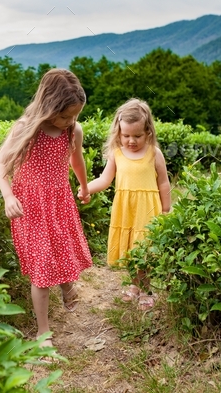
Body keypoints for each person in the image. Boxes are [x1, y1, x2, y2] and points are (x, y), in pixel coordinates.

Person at [0, 69, 92, 354]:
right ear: (48, 106)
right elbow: (1, 164)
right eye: (63, 117)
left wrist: (84, 187)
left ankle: (67, 288)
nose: (68, 122)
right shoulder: (26, 128)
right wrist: (8, 195)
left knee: (60, 250)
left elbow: (77, 161)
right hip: (31, 207)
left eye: (73, 116)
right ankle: (43, 331)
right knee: (41, 269)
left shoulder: (73, 130)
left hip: (59, 202)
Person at [82, 98, 171, 310]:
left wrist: (166, 209)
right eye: (126, 135)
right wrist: (86, 189)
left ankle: (146, 289)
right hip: (126, 209)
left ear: (148, 132)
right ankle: (134, 284)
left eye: (137, 135)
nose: (131, 140)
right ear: (118, 133)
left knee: (145, 250)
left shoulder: (153, 153)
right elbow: (105, 180)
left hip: (147, 210)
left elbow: (163, 181)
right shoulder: (117, 154)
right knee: (131, 250)